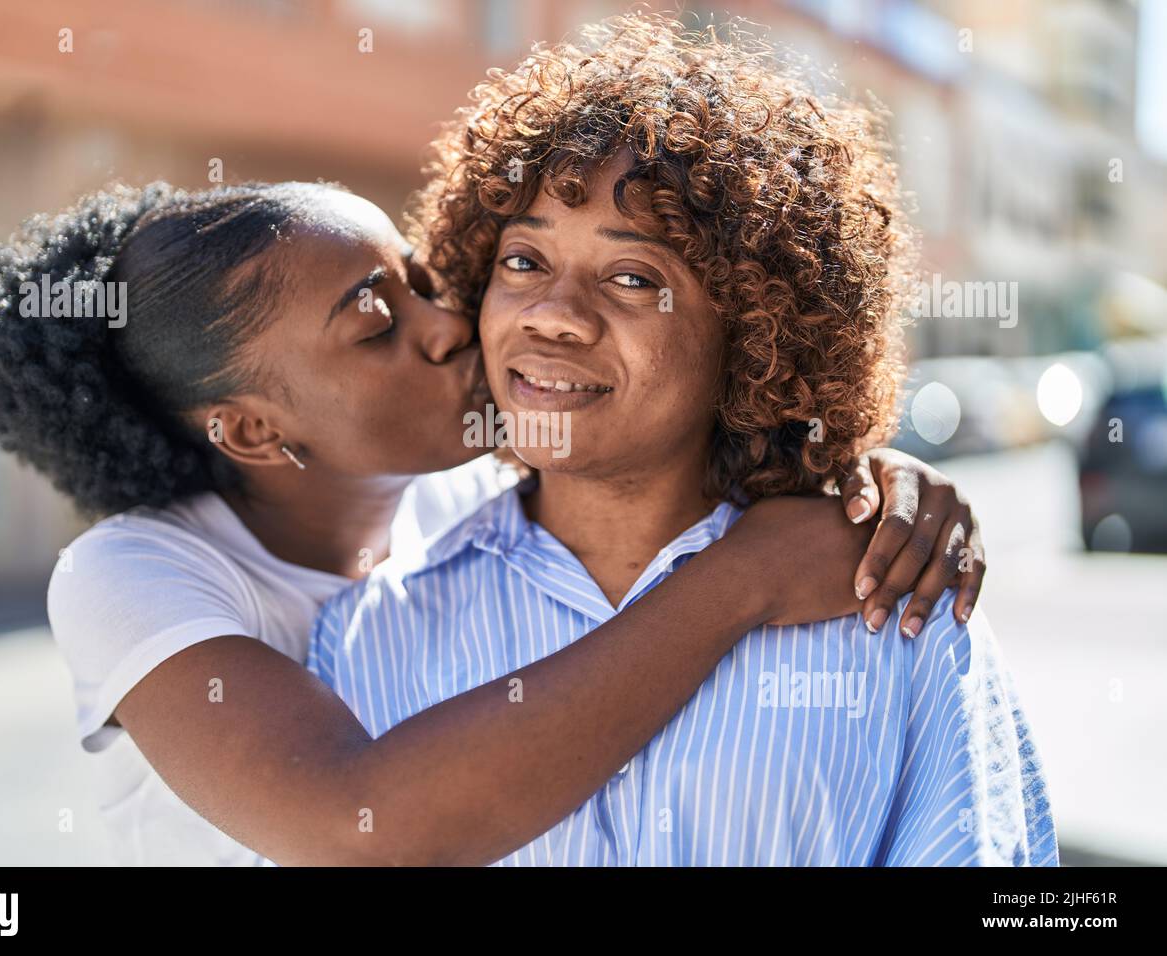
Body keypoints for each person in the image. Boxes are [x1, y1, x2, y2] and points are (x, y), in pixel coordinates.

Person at [0, 175, 982, 866]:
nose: (448, 325)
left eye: (416, 279)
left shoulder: (465, 495)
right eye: (377, 327)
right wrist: (736, 584)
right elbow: (360, 820)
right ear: (254, 429)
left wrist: (858, 474)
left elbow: (646, 420)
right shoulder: (132, 572)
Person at [309, 15, 1055, 866]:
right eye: (523, 261)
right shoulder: (372, 631)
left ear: (757, 335)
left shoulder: (893, 605)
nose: (551, 313)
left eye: (633, 278)